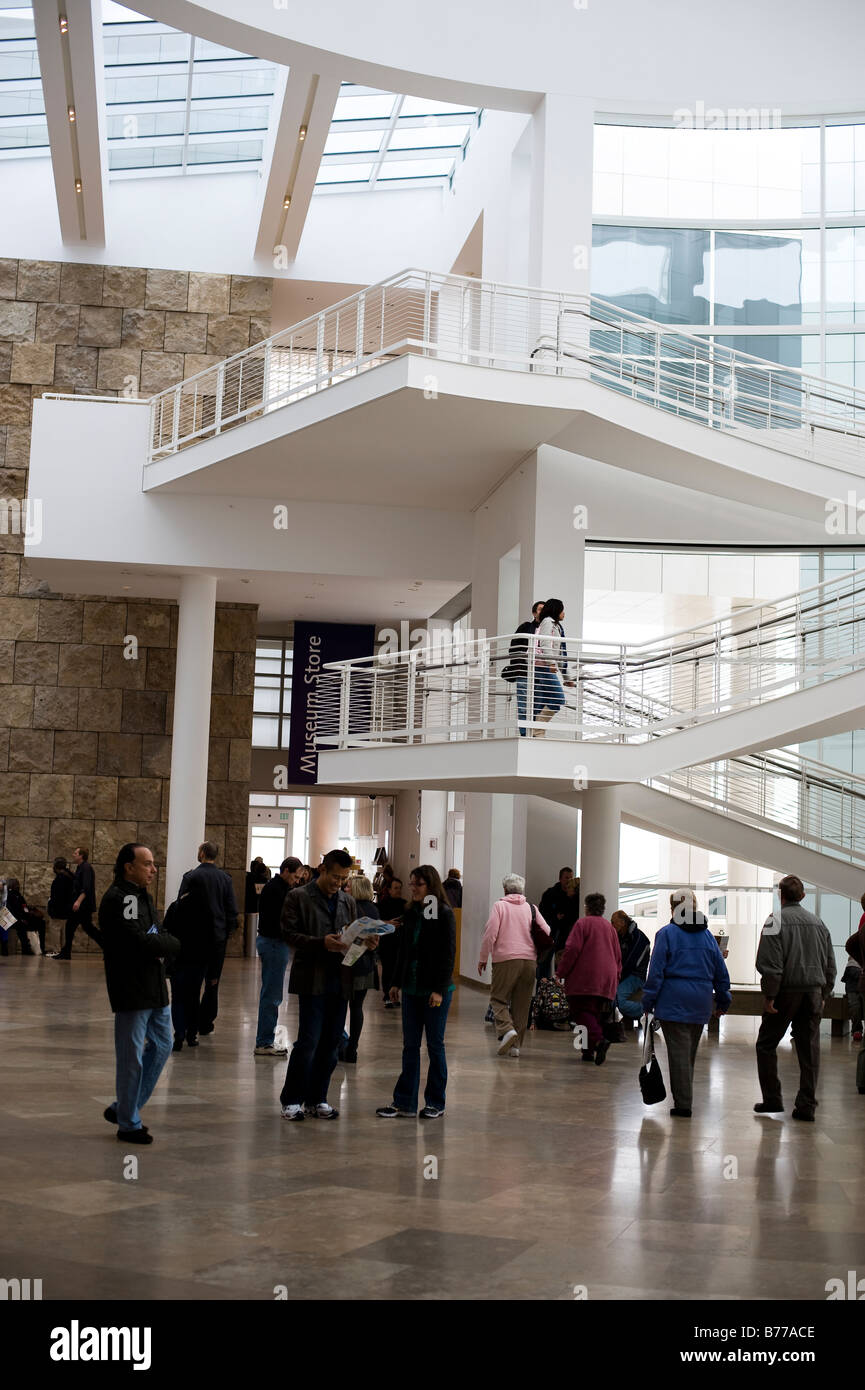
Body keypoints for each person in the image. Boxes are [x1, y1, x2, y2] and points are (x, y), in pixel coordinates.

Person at [279, 849, 376, 1121]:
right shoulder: (298, 896)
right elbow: (288, 934)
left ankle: (317, 1098)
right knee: (308, 1041)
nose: (338, 883)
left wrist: (366, 943)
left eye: (343, 879)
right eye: (335, 876)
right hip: (312, 978)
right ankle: (292, 1100)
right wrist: (322, 942)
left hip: (340, 979)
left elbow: (353, 937)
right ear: (322, 869)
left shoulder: (347, 901)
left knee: (331, 1042)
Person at [99, 843, 180, 1144]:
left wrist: (161, 942)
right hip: (132, 988)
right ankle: (128, 1123)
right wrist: (167, 944)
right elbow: (140, 941)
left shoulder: (140, 897)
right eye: (147, 864)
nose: (153, 870)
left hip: (154, 986)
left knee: (162, 1045)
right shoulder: (124, 898)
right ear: (128, 867)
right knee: (131, 1056)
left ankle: (124, 1107)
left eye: (153, 863)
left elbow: (157, 933)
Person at [642, 889, 731, 1118]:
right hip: (700, 1001)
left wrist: (648, 1000)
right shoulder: (708, 936)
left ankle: (683, 1105)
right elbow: (721, 972)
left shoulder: (667, 933)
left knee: (679, 1054)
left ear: (673, 909)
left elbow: (656, 971)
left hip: (674, 1000)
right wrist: (723, 999)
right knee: (688, 1053)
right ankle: (684, 1097)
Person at [754, 874, 836, 1121]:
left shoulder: (774, 921)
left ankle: (773, 1099)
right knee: (809, 1050)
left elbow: (771, 964)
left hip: (786, 992)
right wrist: (824, 992)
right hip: (812, 992)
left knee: (766, 1044)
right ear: (802, 896)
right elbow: (830, 963)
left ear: (781, 895)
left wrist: (770, 996)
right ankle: (806, 1105)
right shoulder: (818, 923)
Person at [376, 865, 456, 1118]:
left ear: (430, 886)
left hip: (434, 990)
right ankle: (405, 1102)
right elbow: (404, 951)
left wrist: (439, 989)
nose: (413, 888)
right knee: (410, 1045)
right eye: (411, 884)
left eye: (418, 884)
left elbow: (447, 954)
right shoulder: (410, 911)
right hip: (411, 987)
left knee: (434, 1045)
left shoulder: (443, 913)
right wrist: (395, 982)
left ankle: (435, 1102)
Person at [478, 873, 552, 1057]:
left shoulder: (500, 906)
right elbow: (547, 930)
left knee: (498, 999)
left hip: (506, 960)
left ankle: (506, 1029)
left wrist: (483, 957)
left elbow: (490, 933)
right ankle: (515, 1047)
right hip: (529, 961)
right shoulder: (531, 908)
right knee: (522, 1005)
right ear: (522, 890)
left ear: (504, 889)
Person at [174, 842, 238, 1045]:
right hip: (217, 941)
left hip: (194, 941)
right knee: (212, 983)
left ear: (201, 853)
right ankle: (206, 1022)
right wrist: (225, 932)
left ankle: (186, 1027)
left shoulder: (191, 876)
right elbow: (231, 910)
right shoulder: (225, 879)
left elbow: (180, 907)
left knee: (190, 987)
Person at [557, 892, 622, 1065]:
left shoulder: (582, 923)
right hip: (606, 978)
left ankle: (599, 1041)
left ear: (586, 907)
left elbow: (572, 950)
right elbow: (618, 955)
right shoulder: (610, 927)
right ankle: (588, 1052)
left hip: (585, 978)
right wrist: (616, 976)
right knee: (593, 1015)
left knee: (581, 1012)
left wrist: (561, 972)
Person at [254, 856, 303, 1056]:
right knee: (272, 995)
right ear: (285, 871)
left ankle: (265, 1039)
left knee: (272, 994)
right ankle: (264, 1042)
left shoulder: (279, 888)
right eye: (296, 876)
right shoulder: (276, 890)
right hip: (274, 944)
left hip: (273, 943)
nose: (297, 881)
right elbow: (281, 922)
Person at [342, 875, 381, 1062]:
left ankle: (341, 1045)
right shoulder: (373, 909)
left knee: (342, 1006)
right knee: (357, 1007)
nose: (345, 888)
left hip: (350, 963)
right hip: (366, 964)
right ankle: (352, 1049)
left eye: (348, 886)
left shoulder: (351, 908)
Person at [531, 598, 575, 736]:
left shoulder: (556, 625)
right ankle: (537, 729)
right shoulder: (547, 622)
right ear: (556, 610)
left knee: (543, 700)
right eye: (562, 610)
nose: (564, 613)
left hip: (547, 666)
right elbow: (543, 643)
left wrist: (567, 677)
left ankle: (536, 732)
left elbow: (561, 654)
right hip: (543, 666)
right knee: (558, 698)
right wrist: (550, 662)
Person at [53, 847, 101, 959]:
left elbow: (86, 887)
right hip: (81, 906)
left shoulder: (86, 868)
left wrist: (78, 902)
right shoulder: (81, 867)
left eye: (75, 853)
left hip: (83, 906)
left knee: (83, 928)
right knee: (82, 928)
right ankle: (66, 952)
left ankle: (66, 952)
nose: (73, 854)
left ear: (81, 856)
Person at [506, 600, 543, 736]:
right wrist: (521, 662)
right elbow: (514, 648)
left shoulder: (550, 629)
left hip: (541, 672)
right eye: (540, 609)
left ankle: (534, 732)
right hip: (524, 671)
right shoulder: (526, 627)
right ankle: (524, 734)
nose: (542, 612)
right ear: (534, 613)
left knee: (538, 705)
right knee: (523, 706)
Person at [611, 910, 651, 1021]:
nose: (612, 925)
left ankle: (648, 1009)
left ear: (623, 922)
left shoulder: (638, 938)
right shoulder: (621, 937)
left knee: (618, 999)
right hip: (625, 974)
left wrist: (616, 977)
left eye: (613, 922)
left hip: (635, 976)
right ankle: (633, 1013)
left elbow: (630, 963)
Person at [377, 875, 407, 1006]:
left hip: (400, 942)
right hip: (386, 942)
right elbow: (376, 923)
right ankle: (387, 995)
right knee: (388, 969)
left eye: (400, 888)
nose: (398, 890)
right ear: (389, 890)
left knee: (398, 969)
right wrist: (388, 923)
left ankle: (395, 995)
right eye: (395, 888)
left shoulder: (405, 905)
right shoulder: (381, 905)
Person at [540, 869, 579, 951]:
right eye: (566, 878)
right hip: (552, 929)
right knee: (546, 957)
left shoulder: (576, 896)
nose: (569, 880)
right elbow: (542, 912)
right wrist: (555, 917)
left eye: (571, 878)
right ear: (560, 878)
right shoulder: (550, 894)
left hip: (569, 931)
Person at [46, 857, 75, 956]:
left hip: (58, 910)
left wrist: (51, 907)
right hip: (67, 909)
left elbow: (57, 896)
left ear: (56, 866)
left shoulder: (61, 878)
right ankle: (62, 950)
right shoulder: (70, 875)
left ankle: (56, 951)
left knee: (55, 929)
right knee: (63, 931)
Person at [3, 878, 37, 955]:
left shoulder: (18, 895)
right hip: (11, 919)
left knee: (27, 925)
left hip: (18, 918)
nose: (18, 886)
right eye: (16, 885)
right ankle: (26, 948)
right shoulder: (9, 896)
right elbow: (12, 910)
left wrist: (26, 915)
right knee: (21, 927)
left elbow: (24, 907)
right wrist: (22, 918)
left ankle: (27, 947)